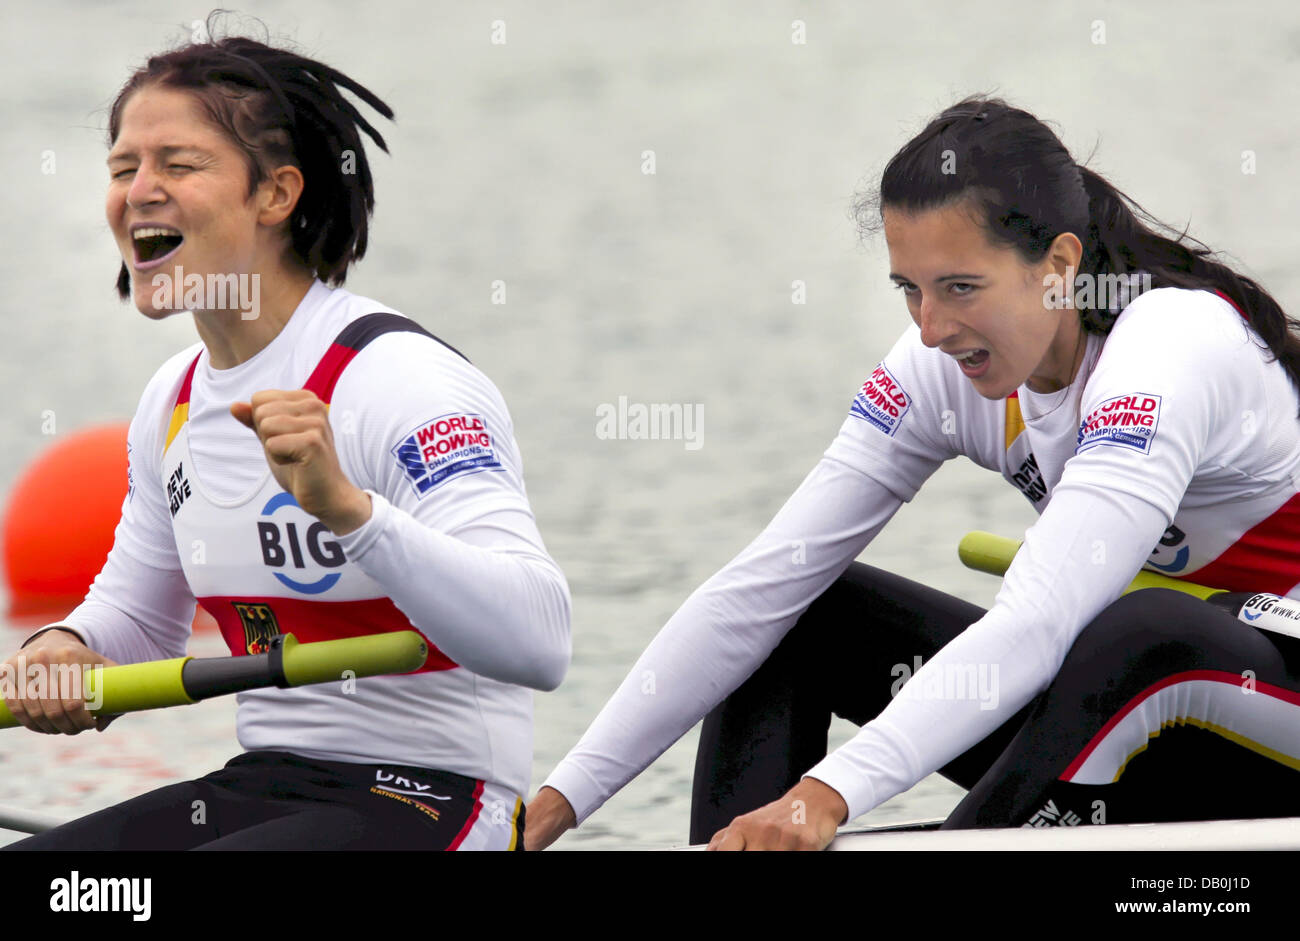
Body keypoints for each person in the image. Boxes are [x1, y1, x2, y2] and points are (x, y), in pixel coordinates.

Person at [525, 95, 1300, 851]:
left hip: (1261, 723)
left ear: (1059, 265)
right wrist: (548, 812)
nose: (931, 329)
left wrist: (825, 795)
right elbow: (757, 590)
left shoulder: (1172, 344)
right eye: (910, 291)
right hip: (1117, 717)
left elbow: (1037, 624)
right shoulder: (947, 367)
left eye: (962, 287)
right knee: (801, 612)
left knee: (1140, 631)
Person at [2, 26, 570, 851]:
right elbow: (137, 619)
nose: (139, 191)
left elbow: (541, 637)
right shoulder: (172, 405)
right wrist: (65, 648)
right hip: (270, 782)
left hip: (437, 798)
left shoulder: (397, 381)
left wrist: (350, 511)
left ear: (277, 195)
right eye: (124, 169)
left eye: (178, 164)